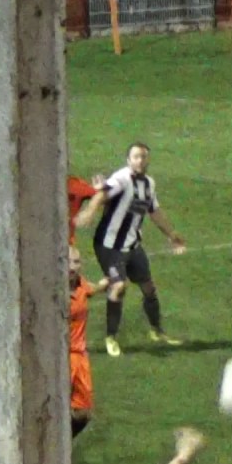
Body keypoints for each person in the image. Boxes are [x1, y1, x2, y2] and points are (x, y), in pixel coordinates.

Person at [74, 142, 188, 357]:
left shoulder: (149, 184)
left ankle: (157, 331)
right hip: (109, 246)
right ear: (128, 160)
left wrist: (171, 235)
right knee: (119, 287)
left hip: (133, 245)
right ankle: (111, 338)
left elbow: (154, 212)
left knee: (149, 289)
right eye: (136, 157)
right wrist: (89, 212)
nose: (140, 160)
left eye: (144, 157)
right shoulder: (122, 178)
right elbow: (102, 194)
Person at [68, 245, 111, 446]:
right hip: (60, 357)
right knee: (52, 409)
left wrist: (111, 280)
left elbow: (92, 289)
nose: (72, 267)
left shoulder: (80, 285)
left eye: (76, 262)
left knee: (83, 413)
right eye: (67, 262)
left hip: (80, 358)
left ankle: (59, 450)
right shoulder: (50, 292)